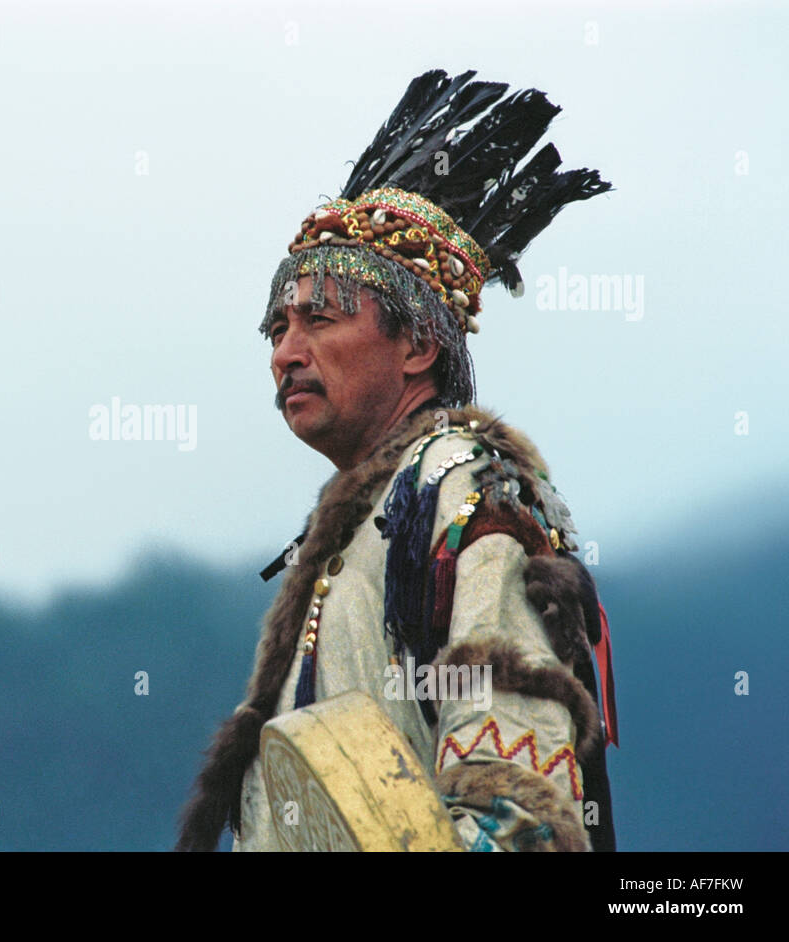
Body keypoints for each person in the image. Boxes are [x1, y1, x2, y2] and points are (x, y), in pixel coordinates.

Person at [176, 69, 619, 852]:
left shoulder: (461, 491)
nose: (286, 353)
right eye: (276, 329)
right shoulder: (359, 528)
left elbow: (516, 808)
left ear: (416, 346)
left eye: (319, 319)